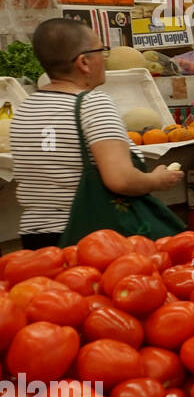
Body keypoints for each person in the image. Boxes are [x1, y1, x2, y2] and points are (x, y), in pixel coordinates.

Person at [11, 18, 183, 248]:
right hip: (88, 235)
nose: (104, 57)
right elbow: (120, 179)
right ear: (83, 62)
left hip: (35, 236)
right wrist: (156, 180)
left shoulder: (25, 108)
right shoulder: (91, 105)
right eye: (101, 51)